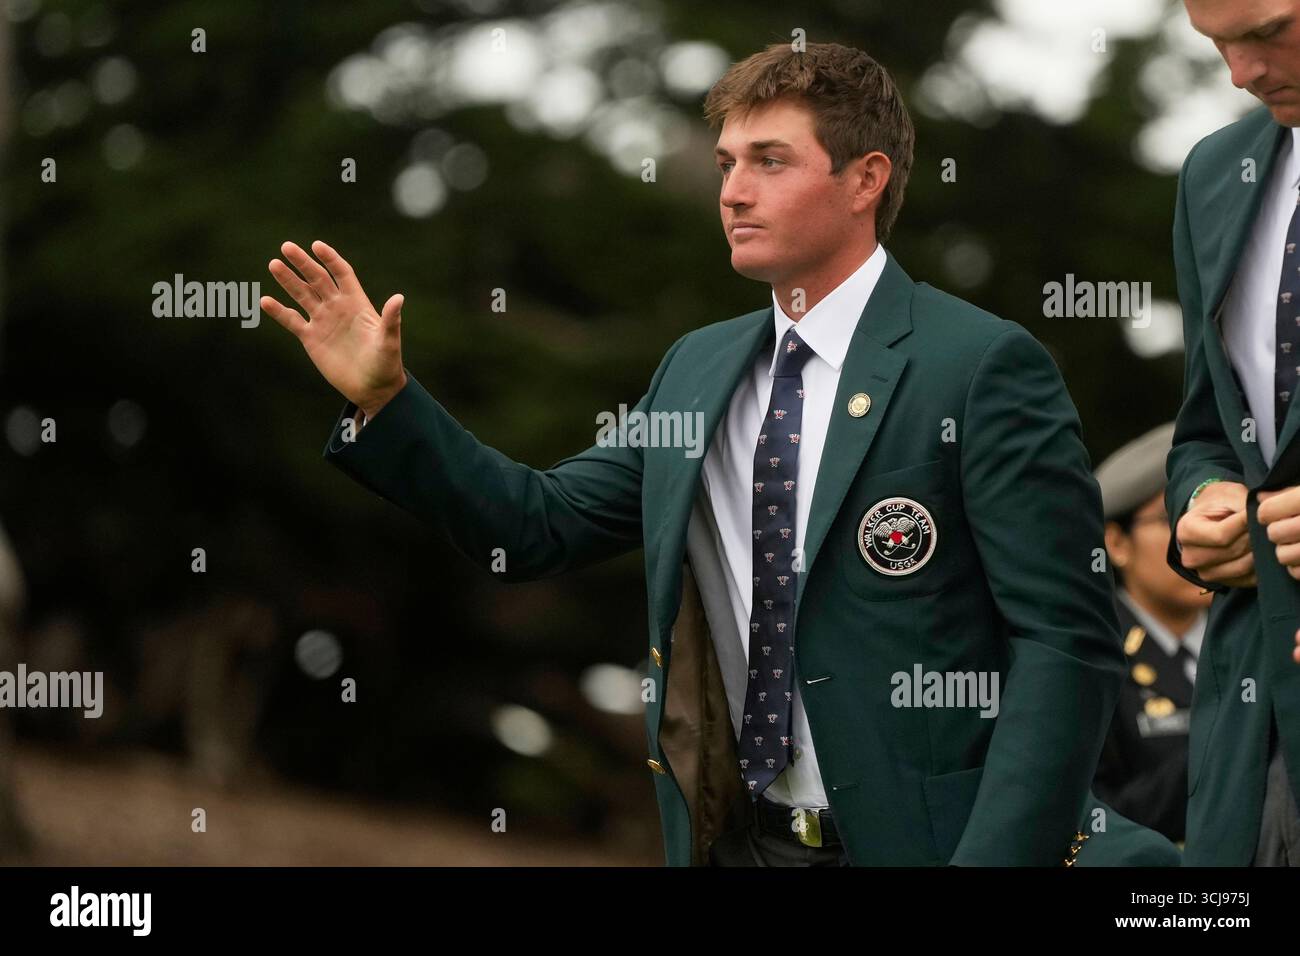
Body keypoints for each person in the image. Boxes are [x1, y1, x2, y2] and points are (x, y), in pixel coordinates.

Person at [262, 41, 1126, 866]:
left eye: (770, 162)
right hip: (739, 846)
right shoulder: (697, 368)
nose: (734, 192)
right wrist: (388, 402)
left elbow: (1065, 644)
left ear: (866, 179)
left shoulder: (979, 365)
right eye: (726, 164)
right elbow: (534, 525)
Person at [1167, 0, 1300, 865]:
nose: (1240, 73)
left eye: (1266, 31)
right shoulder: (1213, 173)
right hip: (1249, 732)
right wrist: (1203, 497)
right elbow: (1207, 429)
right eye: (1217, 43)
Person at [1093, 423, 1211, 844]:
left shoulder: (1255, 641)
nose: (1193, 535)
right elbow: (1097, 816)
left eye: (1206, 516)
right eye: (1168, 518)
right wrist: (1232, 736)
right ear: (1116, 543)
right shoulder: (1093, 657)